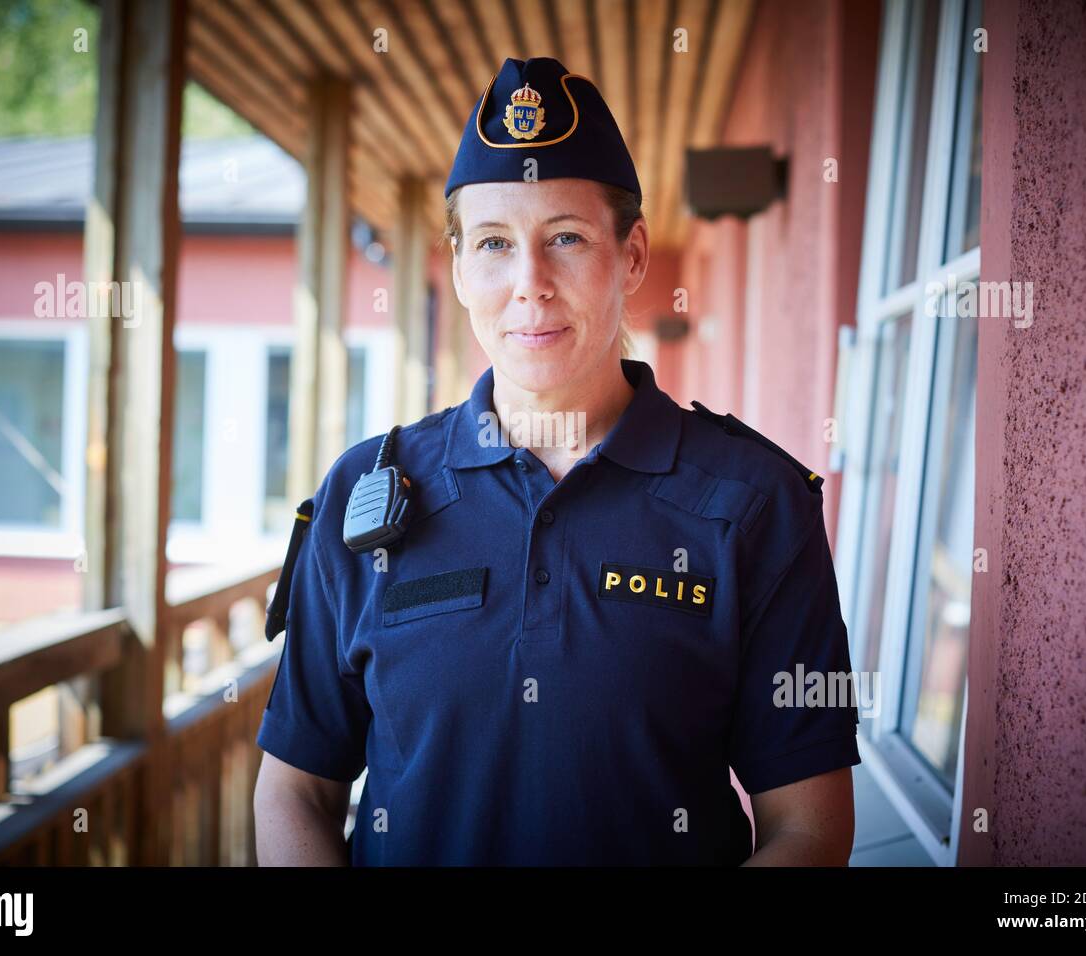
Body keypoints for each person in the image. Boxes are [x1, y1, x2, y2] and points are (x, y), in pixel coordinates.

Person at [253, 56, 860, 866]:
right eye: (496, 244)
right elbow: (295, 788)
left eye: (566, 238)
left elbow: (810, 826)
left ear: (633, 257)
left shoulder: (755, 502)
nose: (529, 285)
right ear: (461, 266)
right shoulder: (365, 496)